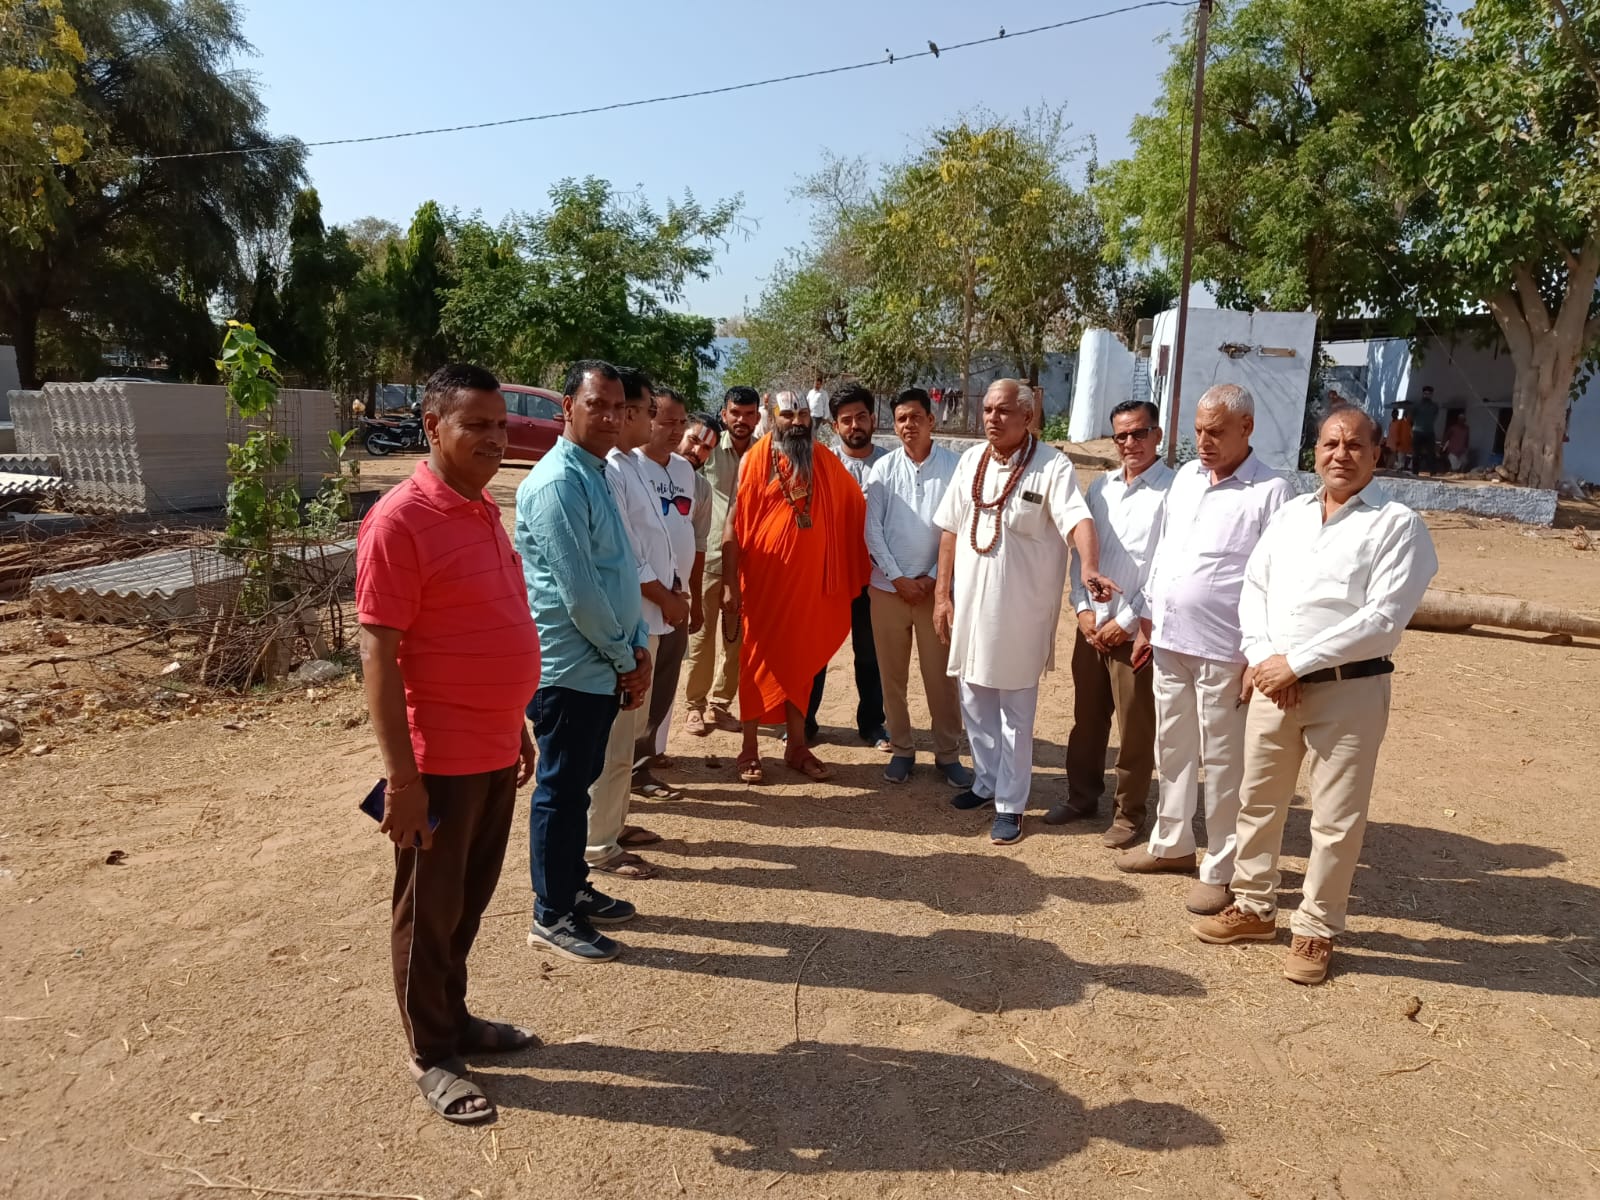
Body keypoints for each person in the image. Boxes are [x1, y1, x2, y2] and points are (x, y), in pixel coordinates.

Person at [1192, 408, 1438, 984]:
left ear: (1379, 454)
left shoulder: (1398, 526)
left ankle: (1316, 929)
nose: (1341, 455)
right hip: (1275, 689)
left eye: (1355, 445)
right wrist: (1263, 658)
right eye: (1330, 444)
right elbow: (1254, 589)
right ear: (1315, 451)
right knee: (1256, 801)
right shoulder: (1291, 516)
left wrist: (1295, 663)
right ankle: (1253, 906)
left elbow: (1382, 620)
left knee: (1335, 819)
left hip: (1348, 691)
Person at [356, 363, 542, 1124]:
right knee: (426, 912)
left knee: (466, 904)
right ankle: (431, 1054)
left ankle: (455, 1019)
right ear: (432, 427)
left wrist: (516, 717)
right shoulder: (401, 520)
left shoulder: (479, 509)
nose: (495, 439)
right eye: (478, 426)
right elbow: (379, 653)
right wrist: (402, 781)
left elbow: (490, 625)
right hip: (438, 763)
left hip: (494, 747)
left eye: (501, 425)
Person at [1115, 385, 1295, 915]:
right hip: (1170, 640)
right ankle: (1171, 844)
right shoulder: (1187, 479)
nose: (1203, 441)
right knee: (1172, 749)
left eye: (1216, 431)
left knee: (1222, 763)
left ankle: (1220, 866)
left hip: (1227, 650)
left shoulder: (1271, 492)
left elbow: (1277, 579)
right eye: (1197, 430)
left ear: (1248, 429)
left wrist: (1260, 654)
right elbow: (1163, 553)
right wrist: (1148, 619)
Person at [933, 379, 1117, 847]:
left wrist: (1090, 566)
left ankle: (1011, 806)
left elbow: (1078, 520)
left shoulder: (1052, 466)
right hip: (972, 610)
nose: (991, 418)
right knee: (973, 698)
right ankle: (986, 782)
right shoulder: (971, 462)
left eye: (1002, 410)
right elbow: (951, 529)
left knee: (1015, 712)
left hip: (1019, 616)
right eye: (988, 410)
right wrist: (942, 594)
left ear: (1027, 416)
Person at [516, 360, 651, 964]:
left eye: (619, 407)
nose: (610, 416)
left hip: (603, 662)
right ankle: (551, 913)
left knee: (579, 786)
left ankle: (572, 888)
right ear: (566, 408)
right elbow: (580, 594)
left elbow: (618, 569)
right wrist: (626, 657)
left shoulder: (594, 473)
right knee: (562, 790)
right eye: (596, 404)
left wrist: (637, 643)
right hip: (569, 669)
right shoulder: (557, 484)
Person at [724, 389, 870, 783]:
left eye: (803, 414)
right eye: (788, 415)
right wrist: (729, 585)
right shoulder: (755, 459)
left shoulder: (824, 460)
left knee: (803, 664)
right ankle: (749, 748)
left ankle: (797, 746)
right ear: (774, 418)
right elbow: (734, 524)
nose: (798, 422)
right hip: (763, 583)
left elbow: (855, 505)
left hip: (809, 586)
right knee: (756, 662)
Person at [1050, 399, 1174, 849]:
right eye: (1121, 435)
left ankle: (1130, 813)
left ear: (1157, 435)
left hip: (1135, 631)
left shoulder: (1173, 493)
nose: (1130, 443)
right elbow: (1082, 555)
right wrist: (1082, 610)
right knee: (1087, 720)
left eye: (1139, 433)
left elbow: (1164, 566)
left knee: (1135, 728)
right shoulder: (1099, 489)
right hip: (1092, 628)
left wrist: (1125, 621)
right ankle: (1082, 797)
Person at [865, 387, 971, 786]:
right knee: (891, 676)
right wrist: (897, 578)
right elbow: (872, 529)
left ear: (932, 420)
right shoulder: (883, 469)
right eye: (901, 419)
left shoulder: (956, 467)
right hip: (888, 590)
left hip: (936, 592)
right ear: (894, 425)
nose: (909, 425)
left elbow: (957, 527)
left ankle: (948, 754)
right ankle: (903, 749)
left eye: (915, 417)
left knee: (942, 677)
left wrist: (931, 578)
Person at [804, 383, 889, 749]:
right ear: (835, 426)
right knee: (817, 651)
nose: (855, 425)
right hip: (829, 575)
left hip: (873, 577)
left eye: (861, 417)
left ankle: (873, 723)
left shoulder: (890, 465)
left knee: (871, 653)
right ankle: (805, 721)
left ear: (873, 419)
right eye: (846, 420)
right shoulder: (820, 464)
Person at [630, 386, 702, 803]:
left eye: (682, 421)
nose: (676, 430)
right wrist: (662, 595)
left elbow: (685, 533)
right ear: (645, 420)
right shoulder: (624, 467)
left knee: (663, 691)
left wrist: (687, 594)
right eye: (667, 421)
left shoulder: (684, 471)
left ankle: (644, 768)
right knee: (634, 696)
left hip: (677, 602)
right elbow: (629, 547)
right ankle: (622, 776)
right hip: (642, 603)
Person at [682, 386, 760, 737]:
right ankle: (694, 707)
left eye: (748, 414)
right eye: (735, 413)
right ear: (724, 414)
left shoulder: (765, 454)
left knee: (736, 642)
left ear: (757, 416)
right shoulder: (709, 450)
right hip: (708, 556)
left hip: (749, 563)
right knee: (700, 637)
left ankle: (720, 705)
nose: (741, 420)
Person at [1411, 386, 1439, 472]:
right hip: (1417, 431)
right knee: (1416, 453)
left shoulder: (1434, 406)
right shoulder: (1417, 405)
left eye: (1429, 394)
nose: (1427, 395)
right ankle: (1415, 472)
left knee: (1431, 453)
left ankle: (1432, 472)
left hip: (1429, 431)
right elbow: (1412, 416)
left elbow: (1435, 416)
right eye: (1425, 393)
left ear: (1431, 395)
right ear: (1423, 394)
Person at [1385, 406, 1413, 471]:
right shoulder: (1393, 422)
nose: (1394, 415)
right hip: (1392, 443)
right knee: (1392, 458)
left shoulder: (1401, 423)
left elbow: (1399, 432)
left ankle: (1399, 468)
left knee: (1399, 458)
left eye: (1395, 413)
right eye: (1393, 413)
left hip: (1398, 444)